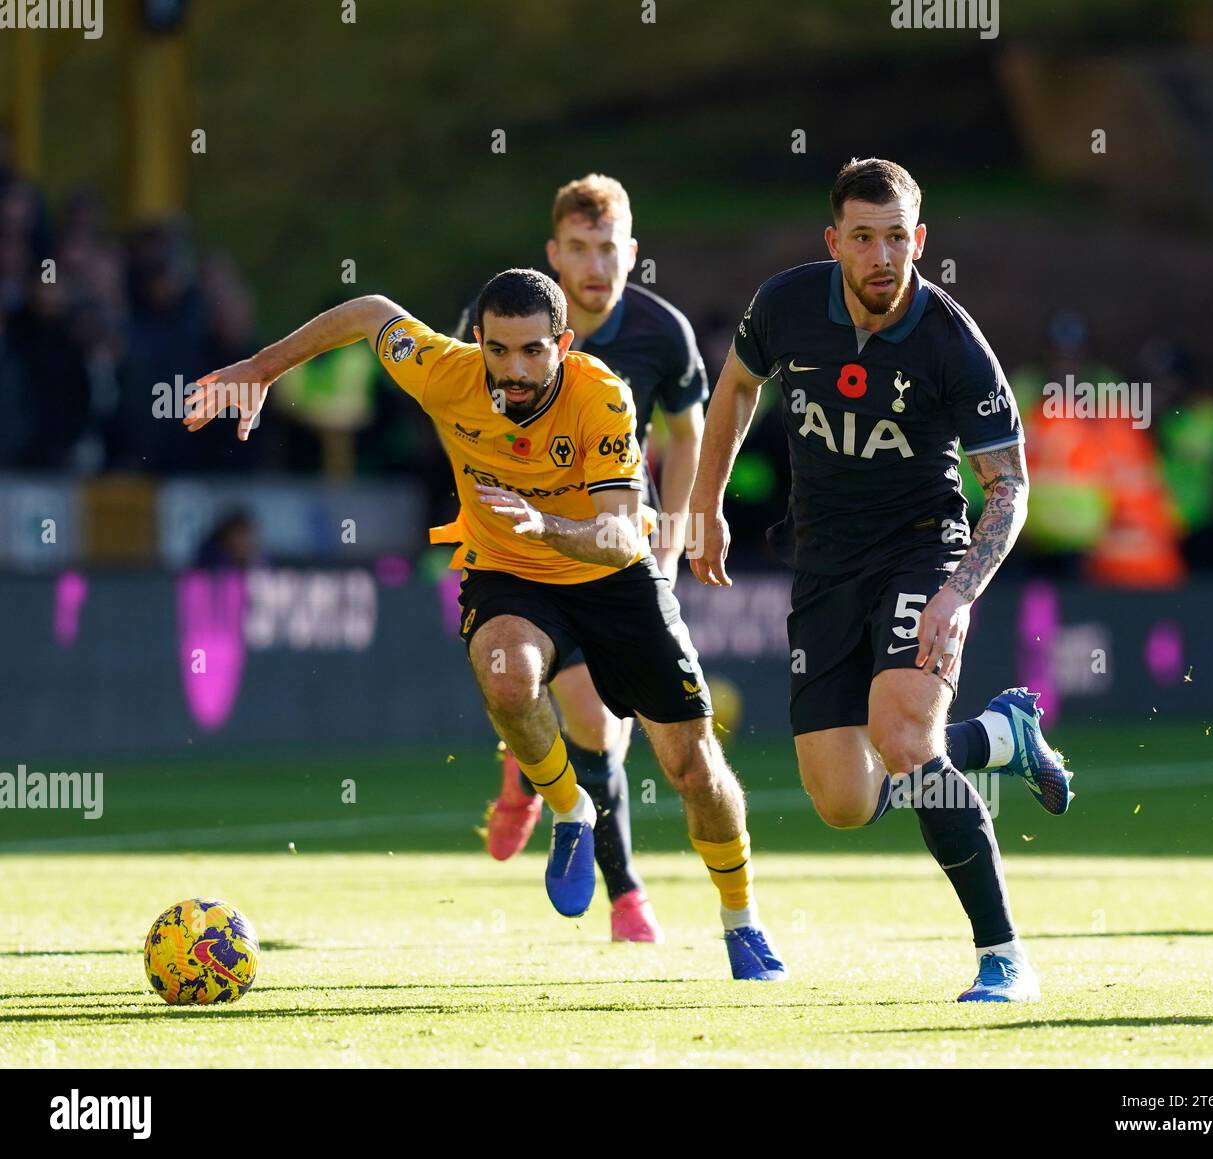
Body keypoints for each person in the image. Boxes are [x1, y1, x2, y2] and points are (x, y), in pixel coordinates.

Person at [185, 268, 786, 982]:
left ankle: (742, 922)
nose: (515, 369)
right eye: (499, 350)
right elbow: (370, 311)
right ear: (478, 341)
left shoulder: (602, 397)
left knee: (692, 767)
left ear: (562, 343)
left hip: (613, 577)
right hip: (508, 573)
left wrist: (546, 523)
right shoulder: (448, 373)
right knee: (506, 676)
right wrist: (260, 367)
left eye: (533, 350)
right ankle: (570, 811)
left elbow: (624, 535)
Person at [688, 158, 1073, 1002]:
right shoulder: (785, 304)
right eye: (863, 237)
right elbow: (737, 387)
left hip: (921, 551)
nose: (881, 255)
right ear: (835, 242)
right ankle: (999, 737)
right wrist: (704, 502)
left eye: (897, 237)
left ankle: (1004, 955)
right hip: (823, 564)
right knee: (845, 800)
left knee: (903, 738)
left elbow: (1009, 487)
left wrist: (957, 592)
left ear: (920, 240)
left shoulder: (952, 340)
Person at [443, 175, 708, 944]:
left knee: (605, 728)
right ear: (555, 254)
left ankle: (527, 766)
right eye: (579, 249)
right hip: (524, 553)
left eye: (609, 249)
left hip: (611, 548)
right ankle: (627, 895)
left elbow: (688, 434)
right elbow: (457, 407)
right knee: (589, 717)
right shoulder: (501, 322)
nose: (596, 266)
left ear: (631, 253)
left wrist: (674, 536)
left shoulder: (663, 333)